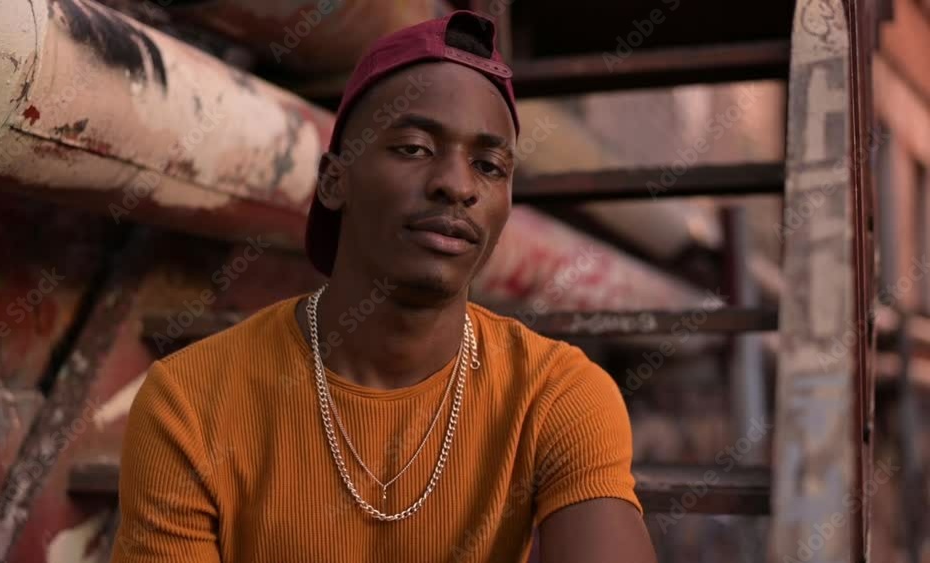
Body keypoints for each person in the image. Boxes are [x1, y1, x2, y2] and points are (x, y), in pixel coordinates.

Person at [110, 9, 657, 563]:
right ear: (334, 181)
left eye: (489, 166)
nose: (456, 186)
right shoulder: (190, 402)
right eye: (414, 148)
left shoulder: (555, 395)